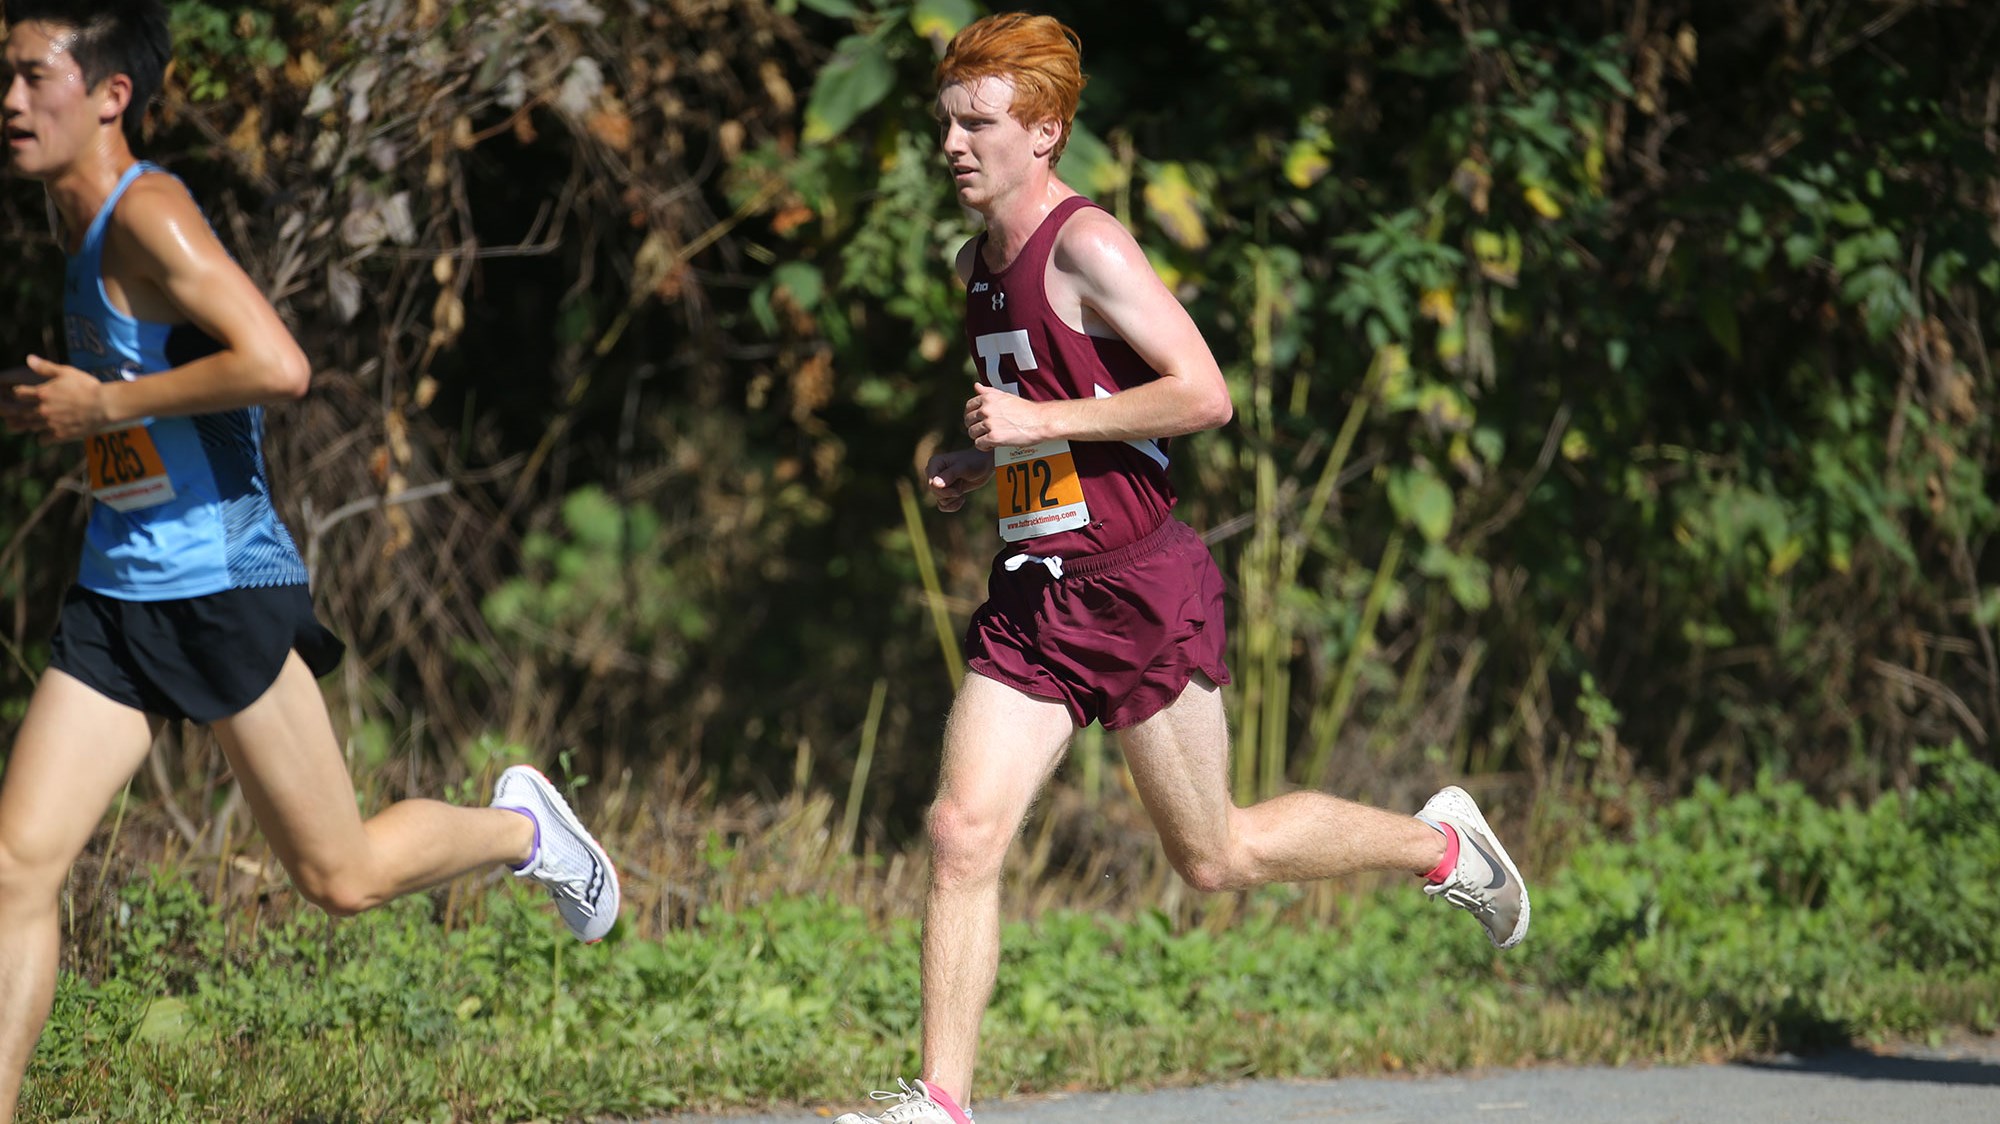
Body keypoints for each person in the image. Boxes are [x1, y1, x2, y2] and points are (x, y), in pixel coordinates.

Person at [834, 13, 1529, 1123]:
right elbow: (1057, 425)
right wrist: (980, 456)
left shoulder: (1086, 245)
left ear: (1045, 131)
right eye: (946, 124)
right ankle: (939, 1102)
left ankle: (1440, 845)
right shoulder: (978, 263)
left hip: (1137, 589)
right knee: (960, 830)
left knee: (1215, 856)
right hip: (1034, 595)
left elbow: (1203, 394)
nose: (953, 145)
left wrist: (1032, 417)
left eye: (978, 124)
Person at [0, 3, 619, 1118]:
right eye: (3, 75)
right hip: (119, 594)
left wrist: (108, 400)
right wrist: (72, 409)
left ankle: (527, 829)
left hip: (222, 588)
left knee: (342, 876)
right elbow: (116, 402)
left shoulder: (151, 212)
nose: (8, 99)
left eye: (31, 75)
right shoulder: (73, 218)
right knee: (14, 869)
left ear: (109, 94)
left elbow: (276, 364)